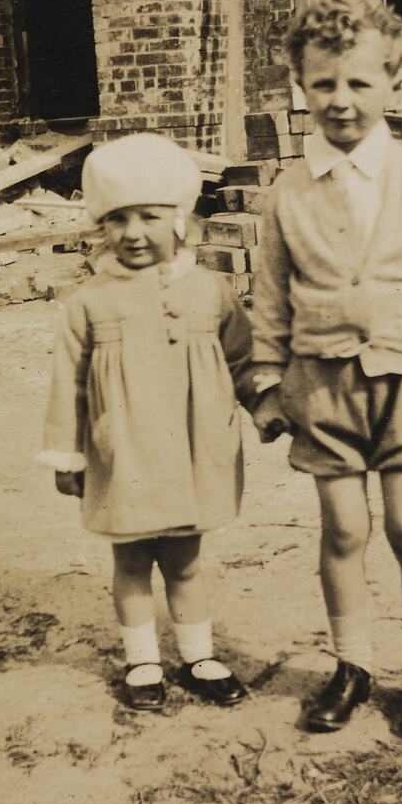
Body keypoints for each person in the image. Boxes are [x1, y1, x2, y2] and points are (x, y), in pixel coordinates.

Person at [250, 0, 402, 736]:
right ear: (300, 86)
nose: (341, 100)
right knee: (344, 530)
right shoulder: (288, 192)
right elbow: (269, 298)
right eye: (323, 84)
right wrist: (265, 384)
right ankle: (350, 666)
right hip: (321, 387)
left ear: (393, 78)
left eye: (358, 81)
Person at [40, 132, 255, 713]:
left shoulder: (211, 291)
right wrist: (67, 453)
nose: (133, 233)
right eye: (118, 219)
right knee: (131, 561)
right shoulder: (88, 302)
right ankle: (142, 662)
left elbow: (244, 359)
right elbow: (68, 382)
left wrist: (268, 407)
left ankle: (198, 656)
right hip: (124, 455)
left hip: (192, 454)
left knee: (185, 563)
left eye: (149, 217)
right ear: (100, 226)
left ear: (180, 221)